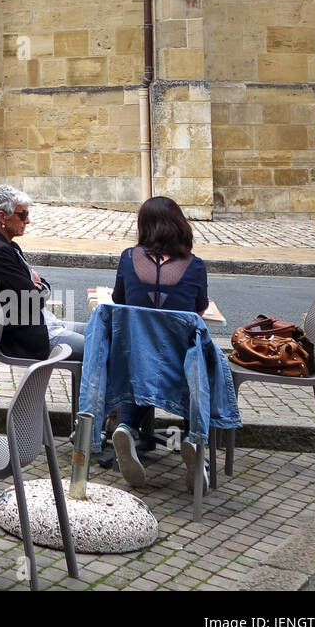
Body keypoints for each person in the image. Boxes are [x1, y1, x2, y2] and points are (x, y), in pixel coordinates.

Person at [110, 196, 211, 491]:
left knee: (144, 367)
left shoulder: (129, 258)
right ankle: (193, 440)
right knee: (202, 370)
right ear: (180, 226)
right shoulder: (195, 266)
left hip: (136, 358)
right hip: (181, 362)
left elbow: (120, 301)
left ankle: (126, 427)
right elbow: (199, 307)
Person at [0, 184, 87, 360]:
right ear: (2, 216)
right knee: (100, 348)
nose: (27, 221)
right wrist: (37, 286)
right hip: (34, 336)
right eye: (23, 215)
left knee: (100, 331)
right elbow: (34, 299)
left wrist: (38, 286)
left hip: (46, 324)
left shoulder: (8, 246)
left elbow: (37, 288)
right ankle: (95, 389)